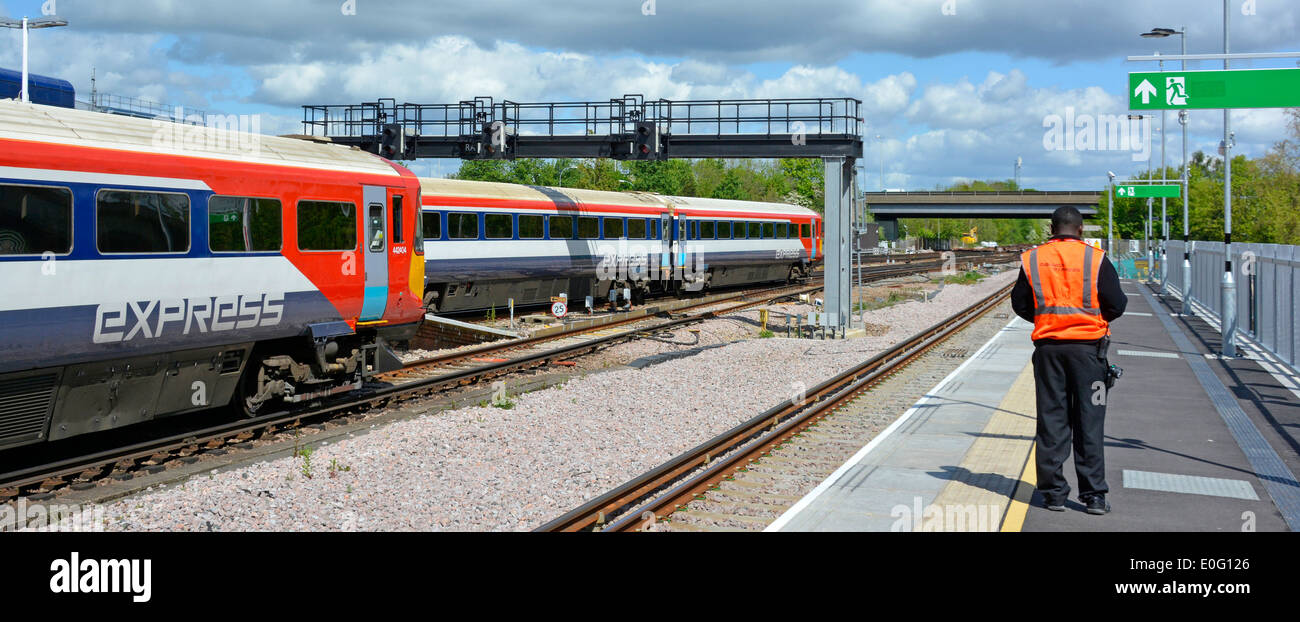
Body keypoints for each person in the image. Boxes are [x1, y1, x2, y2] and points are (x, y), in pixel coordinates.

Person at [1011, 206, 1127, 515]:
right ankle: (1094, 496)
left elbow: (1020, 303)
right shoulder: (1096, 259)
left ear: (1051, 229)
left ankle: (1053, 494)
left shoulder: (1033, 259)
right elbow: (1116, 304)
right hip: (1090, 354)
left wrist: (1047, 320)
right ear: (1081, 229)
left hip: (1049, 352)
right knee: (1090, 422)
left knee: (1051, 421)